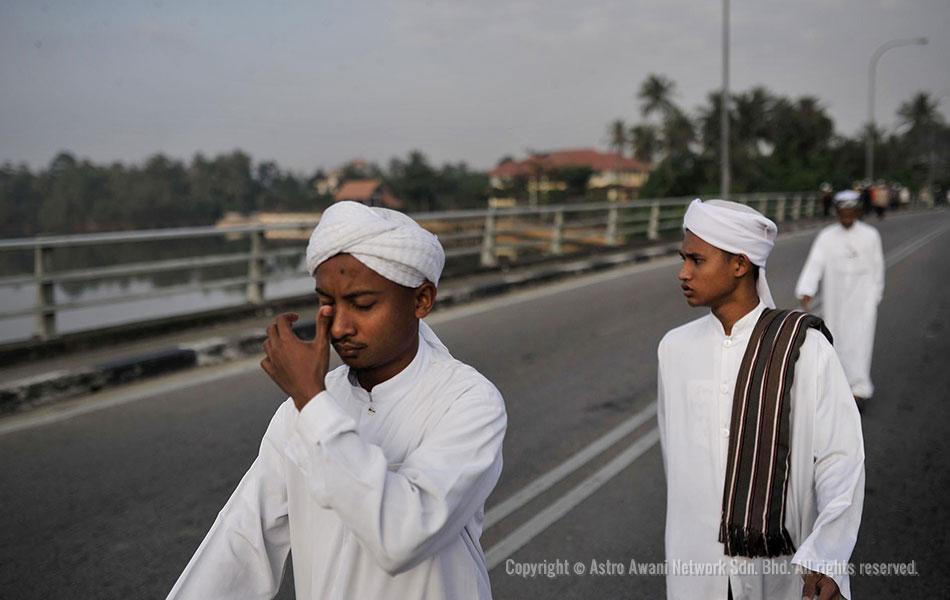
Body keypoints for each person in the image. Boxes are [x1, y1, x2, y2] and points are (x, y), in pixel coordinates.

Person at [167, 201, 507, 599]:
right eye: (327, 302)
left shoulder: (468, 401)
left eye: (363, 305)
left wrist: (312, 403)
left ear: (422, 300)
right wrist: (311, 405)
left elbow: (403, 536)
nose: (340, 325)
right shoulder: (302, 411)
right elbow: (244, 541)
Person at [657, 199, 864, 600]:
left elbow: (841, 458)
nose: (683, 272)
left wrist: (828, 556)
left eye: (697, 260)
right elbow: (676, 464)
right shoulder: (674, 349)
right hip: (697, 565)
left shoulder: (803, 347)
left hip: (782, 566)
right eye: (683, 258)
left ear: (740, 264)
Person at [795, 190, 884, 408]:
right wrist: (807, 288)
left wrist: (874, 296)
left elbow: (878, 269)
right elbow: (815, 264)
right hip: (835, 299)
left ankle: (859, 389)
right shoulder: (826, 236)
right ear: (836, 212)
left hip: (862, 300)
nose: (846, 215)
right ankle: (838, 388)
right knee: (835, 339)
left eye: (850, 210)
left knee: (860, 342)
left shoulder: (870, 235)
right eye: (842, 211)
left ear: (857, 211)